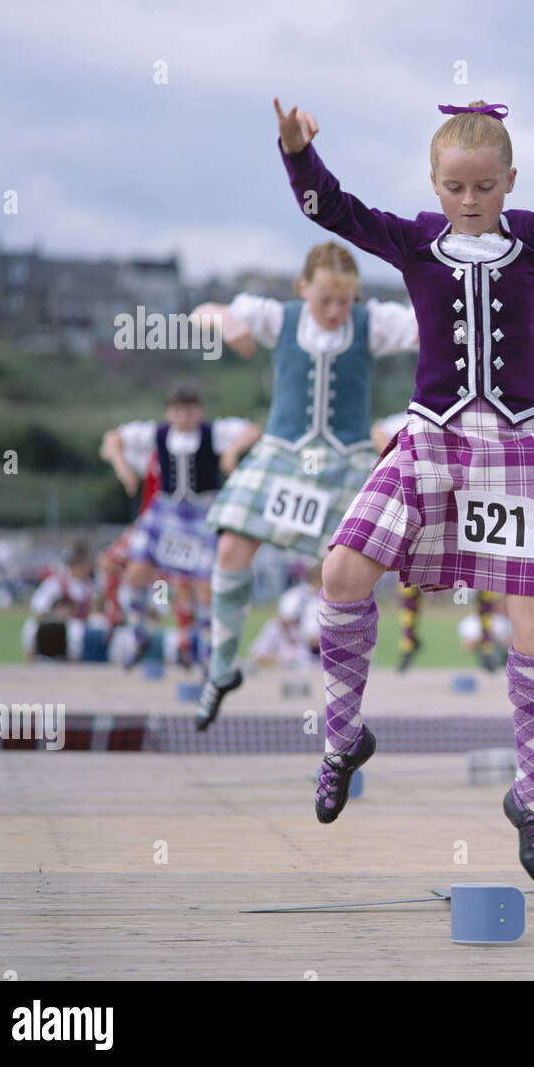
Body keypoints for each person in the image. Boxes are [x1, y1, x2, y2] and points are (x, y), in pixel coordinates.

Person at [273, 96, 534, 882]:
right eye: (455, 186)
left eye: (484, 186)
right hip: (430, 440)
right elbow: (331, 209)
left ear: (510, 181)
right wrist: (298, 152)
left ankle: (533, 799)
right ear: (435, 182)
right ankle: (342, 739)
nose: (470, 200)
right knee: (342, 571)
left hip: (518, 446)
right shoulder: (414, 242)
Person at [191, 244, 419, 729]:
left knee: (345, 575)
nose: (336, 312)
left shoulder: (371, 323)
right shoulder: (278, 317)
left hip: (346, 459)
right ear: (302, 290)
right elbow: (203, 312)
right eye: (325, 302)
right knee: (231, 544)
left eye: (346, 302)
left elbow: (429, 323)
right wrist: (222, 320)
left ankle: (343, 708)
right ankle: (221, 667)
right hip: (283, 453)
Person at [100, 387, 259, 668]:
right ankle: (137, 633)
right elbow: (112, 438)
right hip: (166, 511)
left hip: (202, 514)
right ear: (169, 412)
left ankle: (208, 653)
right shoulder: (157, 435)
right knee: (136, 569)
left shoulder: (214, 433)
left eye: (190, 410)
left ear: (200, 411)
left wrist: (232, 453)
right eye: (178, 411)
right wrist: (123, 469)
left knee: (202, 585)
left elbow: (253, 429)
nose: (185, 417)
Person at [371, 413, 504, 672]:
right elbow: (378, 429)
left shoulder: (468, 417)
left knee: (486, 570)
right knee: (409, 572)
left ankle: (485, 642)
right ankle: (408, 640)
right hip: (428, 505)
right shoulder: (416, 417)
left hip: (464, 504)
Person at [98, 444, 199, 666]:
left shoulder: (198, 453)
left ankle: (184, 644)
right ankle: (120, 620)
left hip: (179, 530)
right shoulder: (151, 451)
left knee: (181, 583)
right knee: (109, 561)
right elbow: (109, 445)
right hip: (148, 526)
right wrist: (123, 470)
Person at [21, 542, 96, 661]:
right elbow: (38, 607)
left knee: (76, 630)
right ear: (73, 565)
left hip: (80, 626)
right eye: (83, 565)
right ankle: (29, 665)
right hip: (55, 626)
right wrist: (57, 615)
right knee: (30, 627)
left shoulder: (89, 586)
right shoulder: (56, 583)